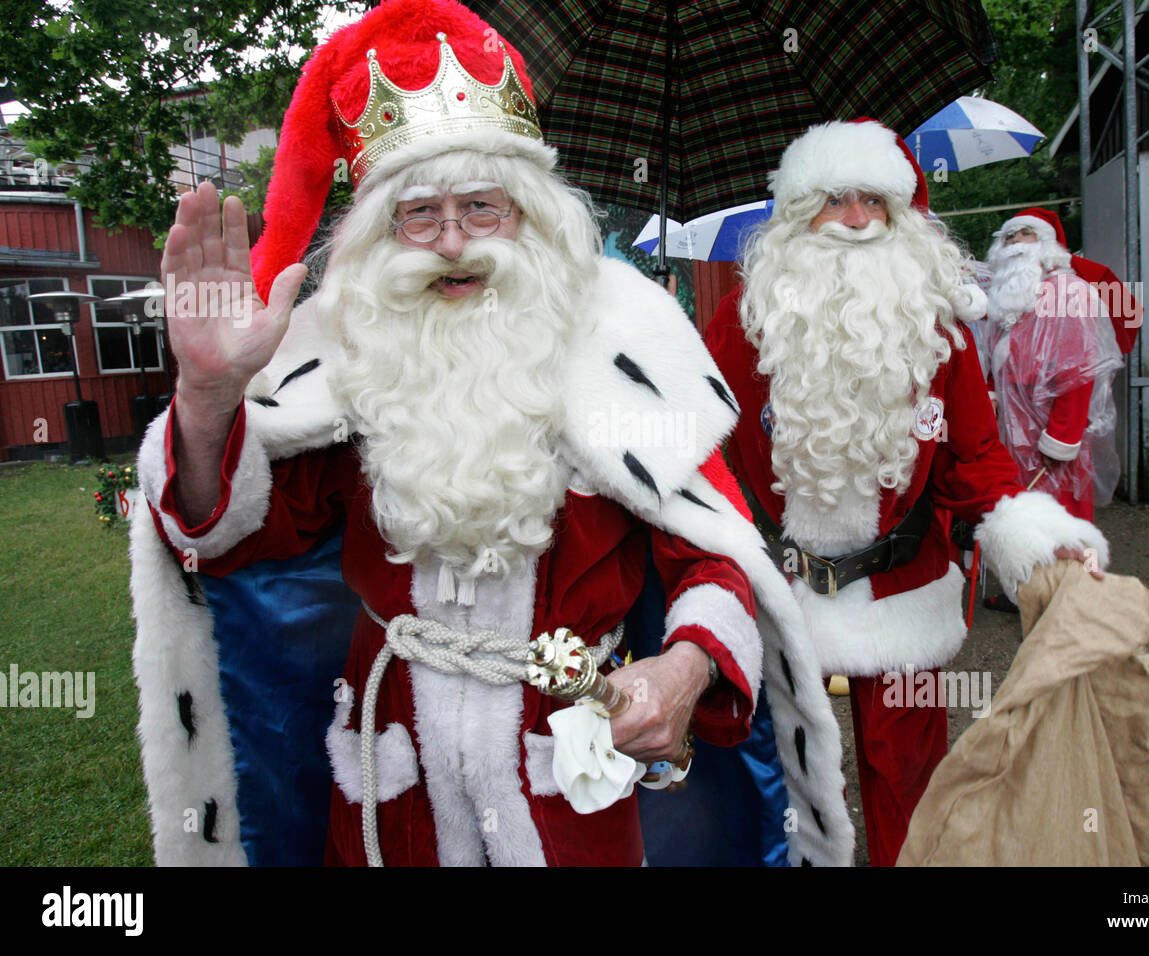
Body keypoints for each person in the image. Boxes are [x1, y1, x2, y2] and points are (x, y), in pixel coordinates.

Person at [129, 0, 849, 867]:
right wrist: (208, 399)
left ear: (533, 216)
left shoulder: (626, 342)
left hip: (568, 775)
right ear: (377, 234)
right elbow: (231, 539)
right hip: (388, 782)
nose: (452, 244)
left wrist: (685, 668)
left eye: (482, 208)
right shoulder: (347, 348)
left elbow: (717, 554)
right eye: (419, 215)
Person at [703, 118, 1111, 866]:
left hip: (904, 588)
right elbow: (705, 450)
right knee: (788, 792)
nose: (858, 221)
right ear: (798, 213)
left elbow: (977, 457)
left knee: (909, 789)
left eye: (875, 202)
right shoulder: (743, 321)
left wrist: (1033, 539)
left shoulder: (940, 328)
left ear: (898, 214)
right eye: (836, 201)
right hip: (783, 594)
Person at [982, 207, 1124, 523]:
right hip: (1010, 427)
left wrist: (1060, 439)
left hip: (1052, 426)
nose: (1015, 241)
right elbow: (996, 361)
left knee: (1060, 522)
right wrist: (990, 396)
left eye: (1025, 234)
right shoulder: (1005, 295)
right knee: (1019, 520)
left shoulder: (1070, 293)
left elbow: (1079, 374)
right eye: (1008, 236)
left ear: (1046, 244)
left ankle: (1070, 573)